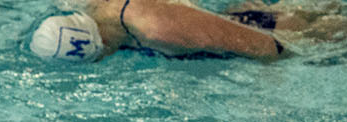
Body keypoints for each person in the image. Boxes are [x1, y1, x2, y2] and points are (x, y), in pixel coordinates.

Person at [30, 0, 296, 62]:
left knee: (327, 27)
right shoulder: (89, 9)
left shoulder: (157, 28)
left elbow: (268, 45)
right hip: (215, 20)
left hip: (269, 26)